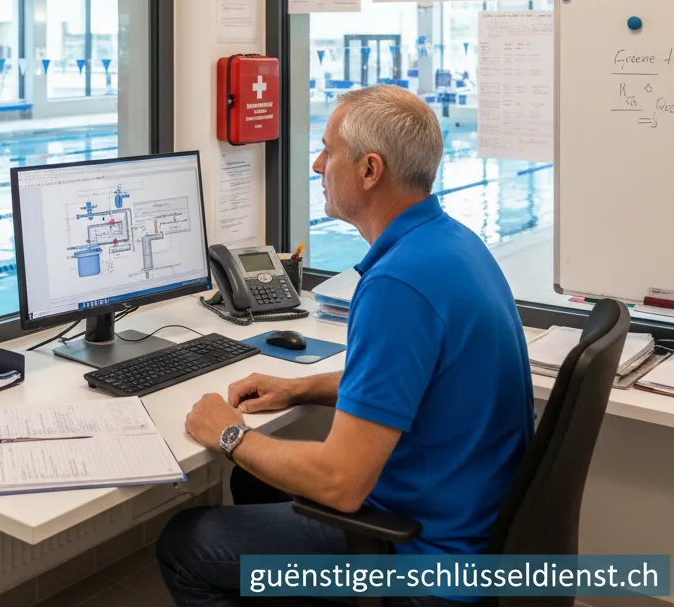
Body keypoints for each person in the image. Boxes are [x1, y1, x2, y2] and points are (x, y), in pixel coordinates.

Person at [156, 85, 534, 606]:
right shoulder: (452, 245)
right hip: (472, 528)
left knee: (186, 543)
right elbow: (420, 384)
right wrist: (301, 389)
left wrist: (228, 435)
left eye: (329, 150)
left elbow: (340, 485)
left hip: (424, 558)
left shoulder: (398, 286)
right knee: (255, 488)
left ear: (369, 170)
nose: (316, 164)